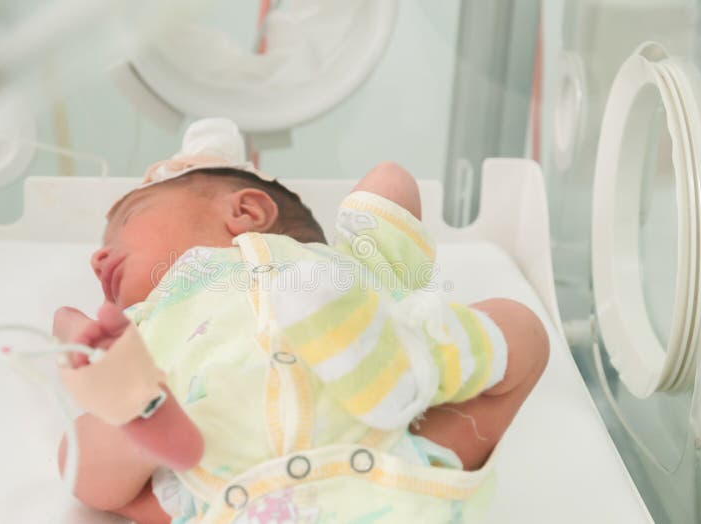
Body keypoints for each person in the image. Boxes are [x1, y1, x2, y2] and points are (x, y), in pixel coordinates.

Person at [52, 118, 549, 524]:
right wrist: (109, 370)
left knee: (519, 325)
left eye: (128, 221)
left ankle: (399, 367)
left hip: (388, 445)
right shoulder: (149, 324)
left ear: (246, 211)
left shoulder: (342, 274)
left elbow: (390, 181)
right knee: (81, 457)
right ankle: (147, 417)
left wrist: (374, 216)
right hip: (243, 481)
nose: (98, 258)